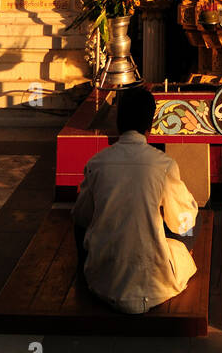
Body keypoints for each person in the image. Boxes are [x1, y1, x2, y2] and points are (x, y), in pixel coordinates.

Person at [72, 85, 198, 315]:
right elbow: (183, 221)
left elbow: (81, 218)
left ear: (118, 122)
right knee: (185, 228)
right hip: (155, 284)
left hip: (104, 282)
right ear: (150, 124)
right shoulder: (163, 164)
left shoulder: (97, 163)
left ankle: (89, 268)